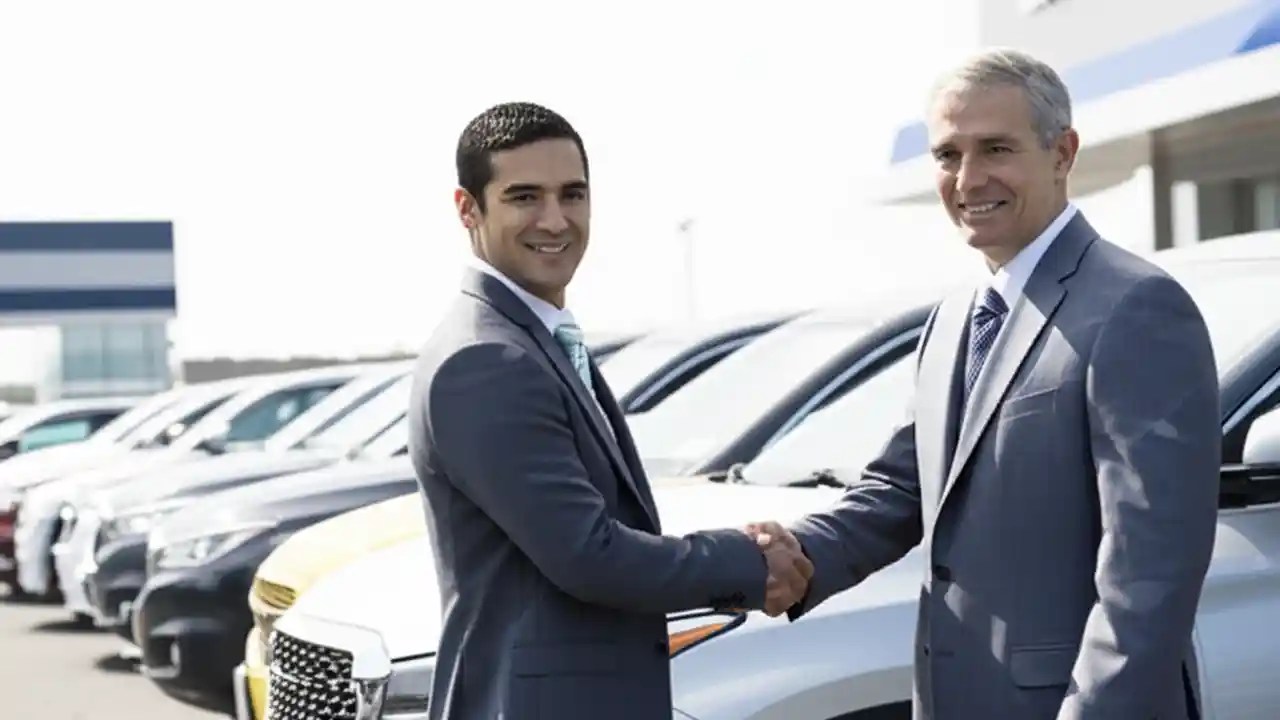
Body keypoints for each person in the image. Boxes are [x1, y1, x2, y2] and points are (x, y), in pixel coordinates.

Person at [748, 49, 1220, 719]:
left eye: (995, 148)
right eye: (947, 155)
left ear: (1063, 153)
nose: (968, 179)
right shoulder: (954, 317)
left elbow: (1150, 574)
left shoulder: (1136, 307)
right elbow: (902, 489)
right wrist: (785, 557)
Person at [406, 101, 813, 720]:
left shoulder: (528, 336)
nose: (555, 219)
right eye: (524, 197)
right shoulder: (485, 359)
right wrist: (747, 562)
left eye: (572, 194)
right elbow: (589, 555)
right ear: (469, 209)